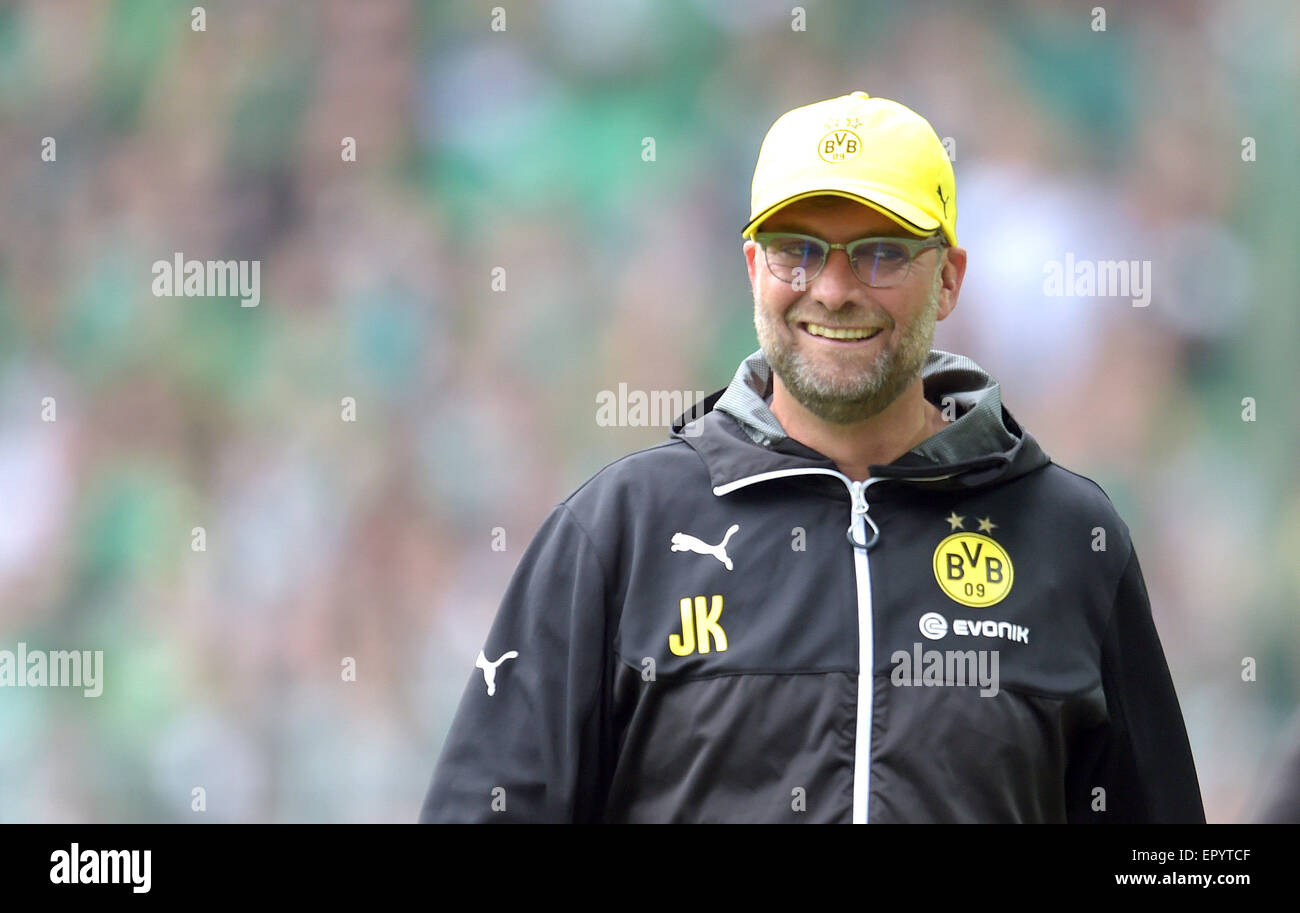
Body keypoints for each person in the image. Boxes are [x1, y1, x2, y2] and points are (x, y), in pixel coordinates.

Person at [418, 90, 1205, 823]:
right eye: (797, 249)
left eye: (880, 254)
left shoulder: (1072, 539)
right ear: (753, 267)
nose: (832, 289)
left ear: (950, 280)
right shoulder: (619, 531)